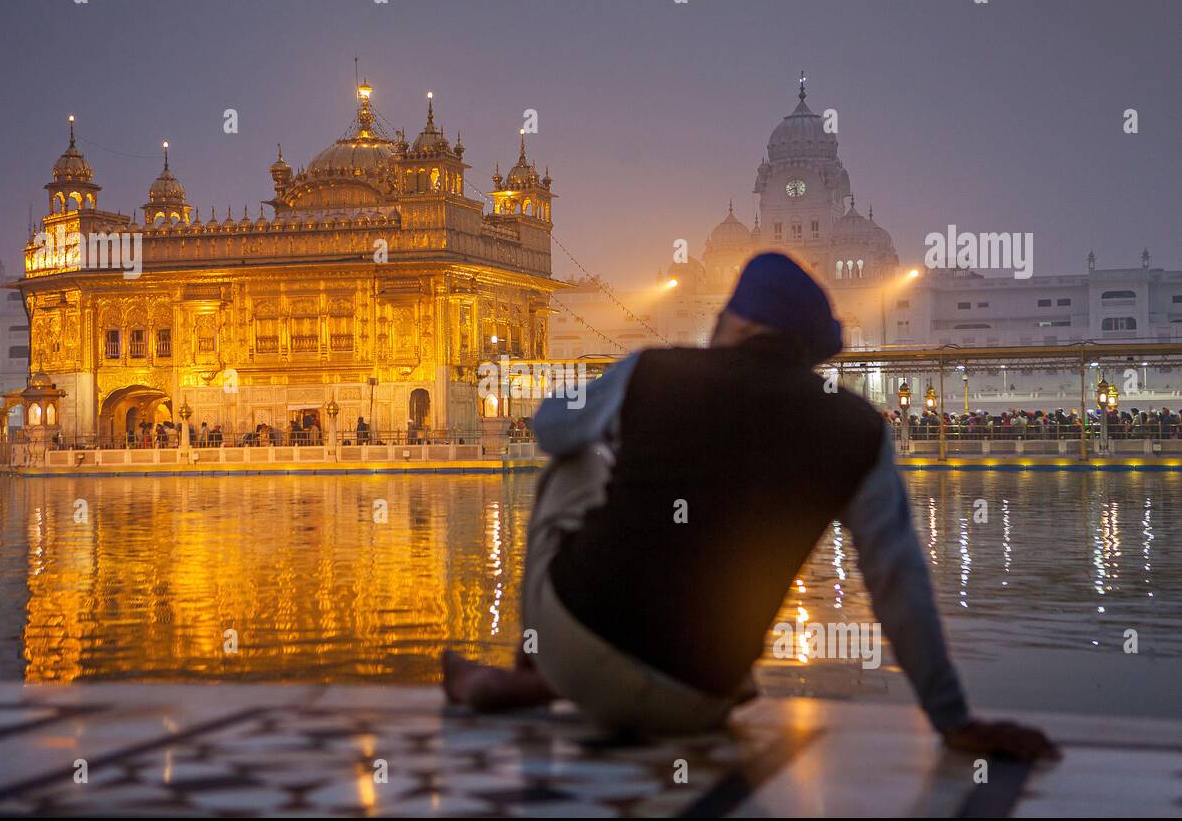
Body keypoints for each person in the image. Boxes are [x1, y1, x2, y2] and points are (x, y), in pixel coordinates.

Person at [443, 251, 1058, 761]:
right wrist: (953, 720)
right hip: (700, 696)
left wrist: (619, 431)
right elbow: (899, 582)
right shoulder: (857, 427)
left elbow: (551, 429)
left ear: (735, 321)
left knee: (573, 462)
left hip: (576, 656)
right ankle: (666, 677)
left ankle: (531, 672)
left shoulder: (654, 372)